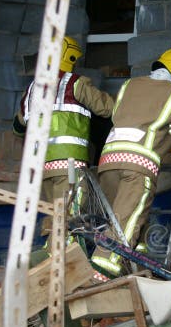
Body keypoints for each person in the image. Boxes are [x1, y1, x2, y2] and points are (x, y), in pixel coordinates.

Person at [90, 48, 171, 281]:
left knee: (125, 219)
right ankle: (101, 274)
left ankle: (135, 270)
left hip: (107, 163)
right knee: (125, 223)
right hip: (137, 166)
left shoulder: (128, 86)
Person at [13, 36, 115, 208]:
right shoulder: (75, 83)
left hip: (41, 169)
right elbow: (107, 108)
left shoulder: (30, 91)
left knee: (54, 215)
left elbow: (17, 128)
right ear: (69, 57)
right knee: (71, 216)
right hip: (69, 165)